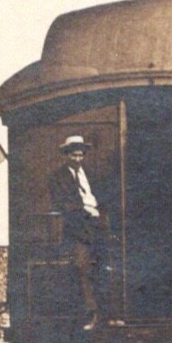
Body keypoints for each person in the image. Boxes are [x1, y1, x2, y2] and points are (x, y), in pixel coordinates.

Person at [48, 135, 117, 329]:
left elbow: (101, 197)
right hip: (77, 228)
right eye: (74, 155)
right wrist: (85, 210)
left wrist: (101, 215)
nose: (78, 159)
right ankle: (90, 313)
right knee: (82, 268)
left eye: (80, 155)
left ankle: (108, 314)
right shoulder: (58, 177)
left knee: (107, 268)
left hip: (98, 227)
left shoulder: (90, 174)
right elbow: (63, 204)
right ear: (66, 155)